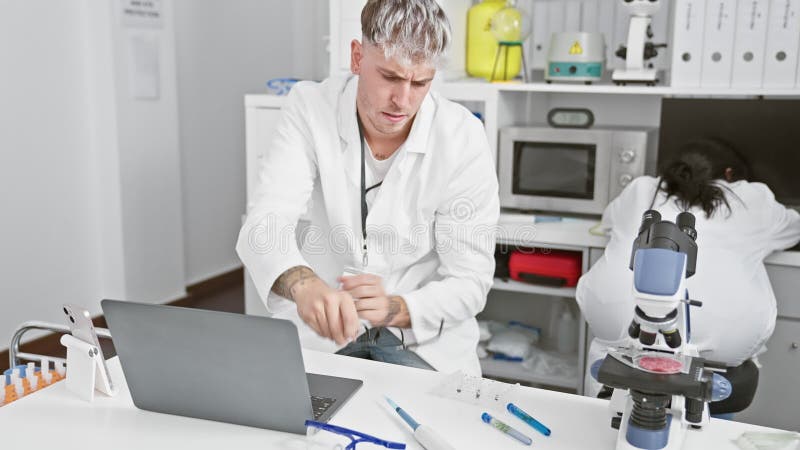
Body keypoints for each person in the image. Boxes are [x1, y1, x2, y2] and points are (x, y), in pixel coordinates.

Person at [236, 0, 499, 376]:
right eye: (390, 77)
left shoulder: (462, 137)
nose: (403, 100)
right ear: (357, 58)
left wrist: (398, 308)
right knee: (294, 427)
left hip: (421, 342)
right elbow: (264, 225)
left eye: (420, 82)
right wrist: (304, 285)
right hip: (323, 336)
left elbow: (470, 280)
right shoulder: (310, 108)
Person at [576, 138, 800, 407]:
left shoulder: (641, 189)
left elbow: (608, 221)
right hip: (717, 350)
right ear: (730, 174)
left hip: (617, 331)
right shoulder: (750, 196)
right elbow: (794, 229)